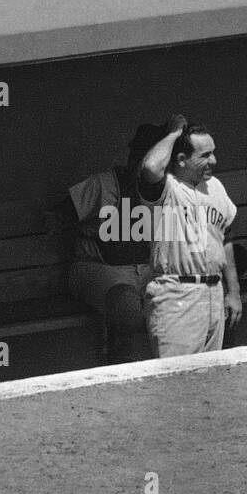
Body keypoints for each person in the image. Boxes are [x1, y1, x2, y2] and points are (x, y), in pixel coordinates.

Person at [51, 123, 163, 363]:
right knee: (126, 305)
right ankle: (119, 365)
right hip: (98, 267)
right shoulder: (103, 185)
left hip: (145, 270)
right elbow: (55, 218)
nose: (143, 162)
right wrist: (95, 224)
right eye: (140, 154)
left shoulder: (171, 189)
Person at [137, 116, 243, 357]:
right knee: (177, 377)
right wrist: (175, 133)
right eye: (205, 155)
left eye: (213, 153)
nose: (213, 161)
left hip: (214, 293)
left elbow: (226, 239)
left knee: (209, 376)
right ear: (182, 160)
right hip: (176, 294)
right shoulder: (166, 187)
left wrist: (234, 291)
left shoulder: (215, 186)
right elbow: (150, 167)